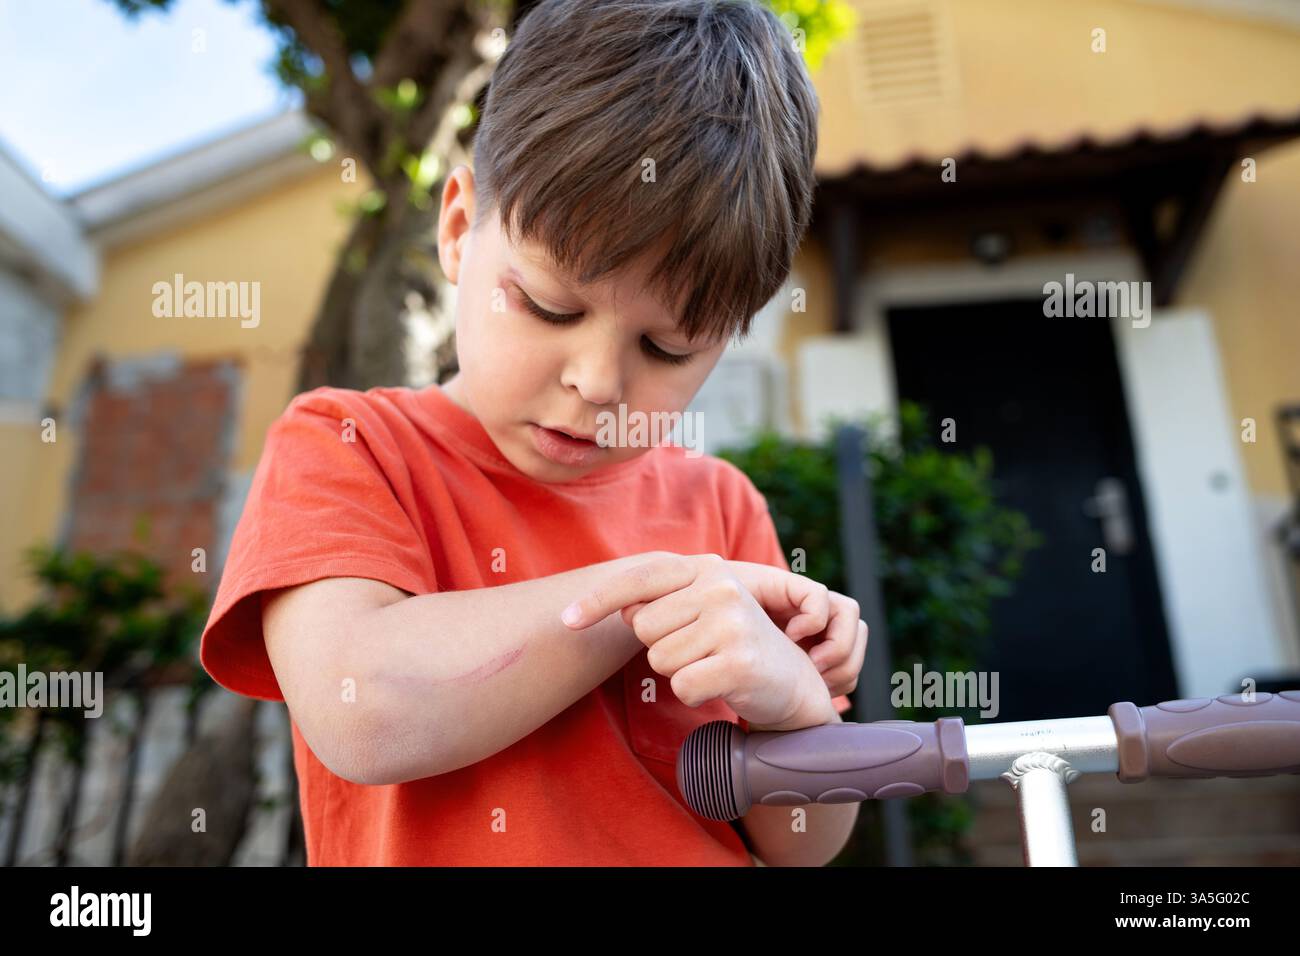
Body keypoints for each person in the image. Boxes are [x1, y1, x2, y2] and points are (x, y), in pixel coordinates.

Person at [200, 0, 866, 866]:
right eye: (551, 305)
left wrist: (797, 711)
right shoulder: (348, 445)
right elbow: (365, 709)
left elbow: (803, 849)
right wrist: (644, 597)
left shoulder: (722, 507)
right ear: (455, 230)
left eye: (667, 348)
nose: (596, 382)